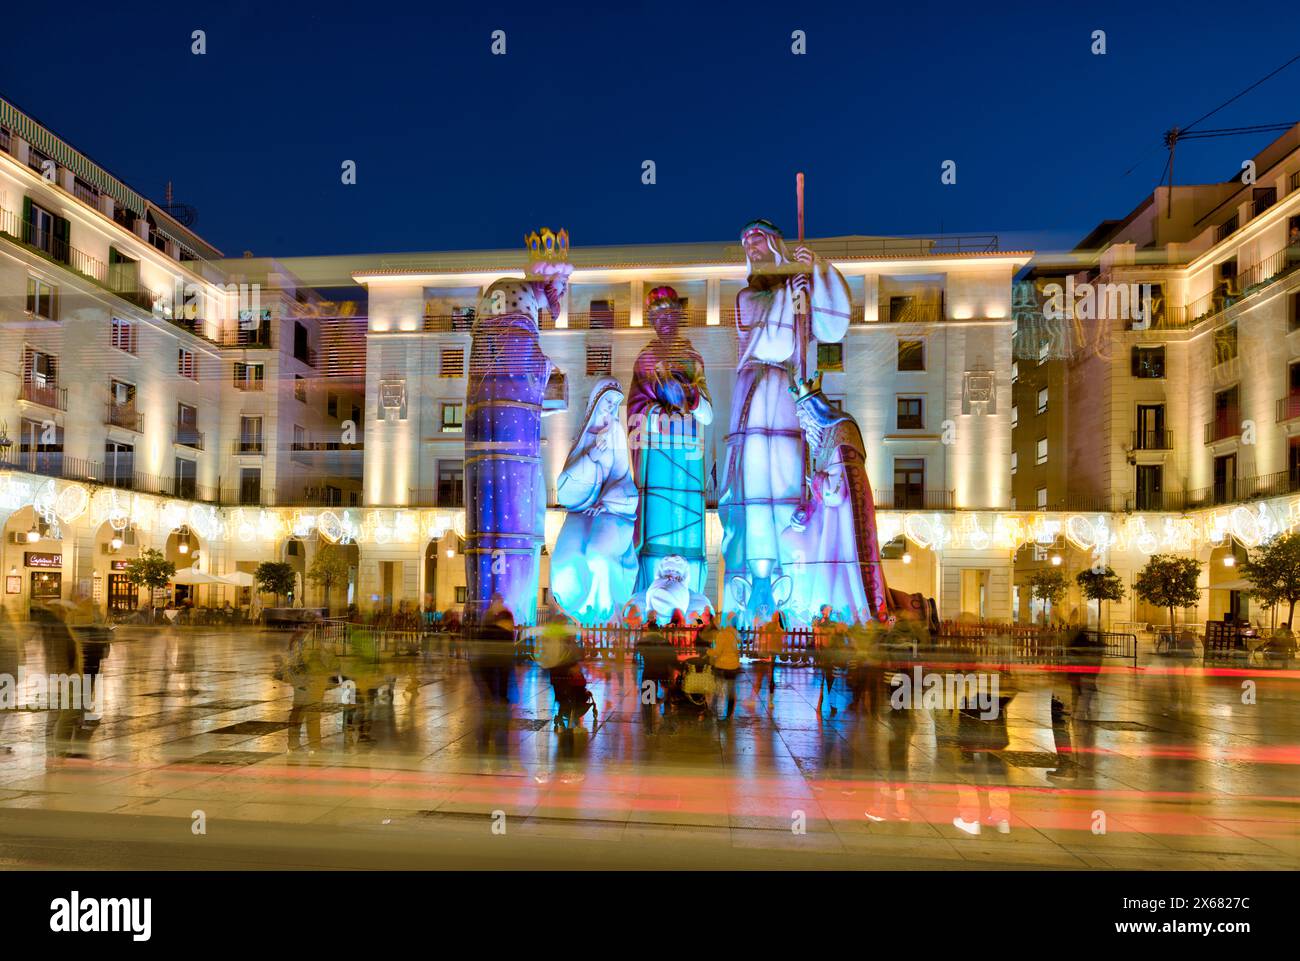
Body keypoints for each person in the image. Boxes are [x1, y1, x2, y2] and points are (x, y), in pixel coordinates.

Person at [719, 219, 850, 619]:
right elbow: (772, 339)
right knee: (755, 484)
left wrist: (818, 271)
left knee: (789, 481)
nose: (753, 251)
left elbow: (832, 328)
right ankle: (748, 585)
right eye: (748, 248)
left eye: (759, 244)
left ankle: (792, 589)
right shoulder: (747, 297)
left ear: (775, 247)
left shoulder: (798, 288)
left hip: (789, 398)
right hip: (757, 393)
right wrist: (789, 293)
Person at [629, 285, 712, 594]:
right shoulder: (646, 359)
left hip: (689, 457)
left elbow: (708, 411)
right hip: (657, 453)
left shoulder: (693, 357)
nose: (663, 321)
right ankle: (649, 586)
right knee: (657, 521)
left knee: (689, 524)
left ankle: (691, 589)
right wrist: (656, 412)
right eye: (656, 316)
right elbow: (635, 409)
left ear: (679, 315)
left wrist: (691, 399)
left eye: (668, 314)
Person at [551, 378, 640, 622]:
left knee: (597, 554)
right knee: (565, 558)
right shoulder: (583, 440)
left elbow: (622, 476)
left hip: (611, 510)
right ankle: (576, 611)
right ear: (596, 402)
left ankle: (603, 612)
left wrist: (606, 502)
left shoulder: (616, 435)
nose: (610, 408)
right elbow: (566, 484)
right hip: (581, 511)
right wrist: (592, 456)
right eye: (607, 402)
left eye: (615, 404)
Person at [709, 612, 742, 719]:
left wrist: (708, 651)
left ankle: (713, 711)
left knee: (717, 689)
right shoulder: (736, 634)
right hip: (733, 667)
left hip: (722, 666)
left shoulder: (722, 634)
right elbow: (738, 650)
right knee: (731, 692)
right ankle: (729, 715)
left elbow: (717, 652)